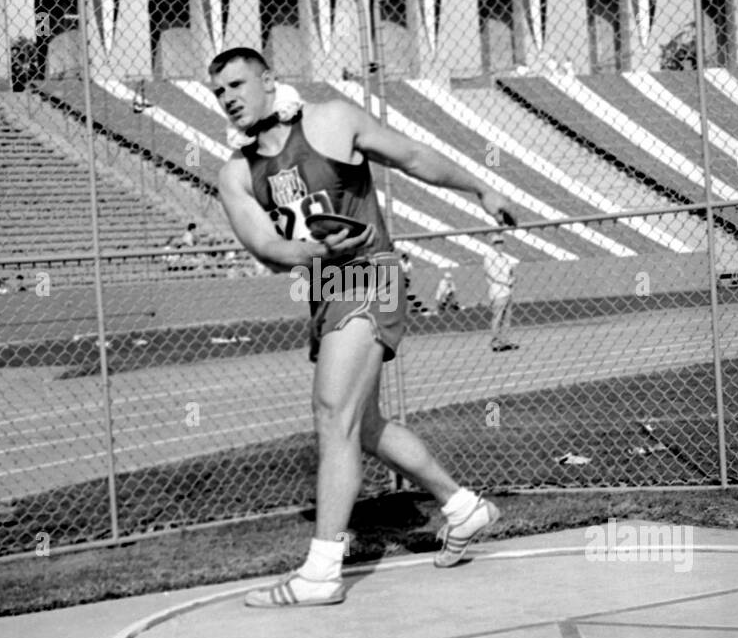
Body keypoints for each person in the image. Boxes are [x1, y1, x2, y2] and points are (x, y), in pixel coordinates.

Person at [210, 46, 516, 607]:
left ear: (269, 80)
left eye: (237, 84)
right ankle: (463, 508)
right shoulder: (235, 173)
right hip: (325, 289)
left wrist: (481, 189)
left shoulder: (331, 119)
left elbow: (413, 156)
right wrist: (309, 250)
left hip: (370, 276)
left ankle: (322, 571)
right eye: (219, 92)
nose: (229, 98)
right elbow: (265, 245)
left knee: (332, 415)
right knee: (365, 426)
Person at [483, 231, 517, 351]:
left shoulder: (504, 258)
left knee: (507, 318)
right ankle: (496, 342)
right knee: (497, 317)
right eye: (497, 242)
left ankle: (505, 340)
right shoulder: (489, 257)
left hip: (507, 291)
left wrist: (512, 278)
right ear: (492, 244)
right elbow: (494, 275)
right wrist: (508, 281)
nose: (500, 245)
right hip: (497, 292)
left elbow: (510, 272)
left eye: (501, 242)